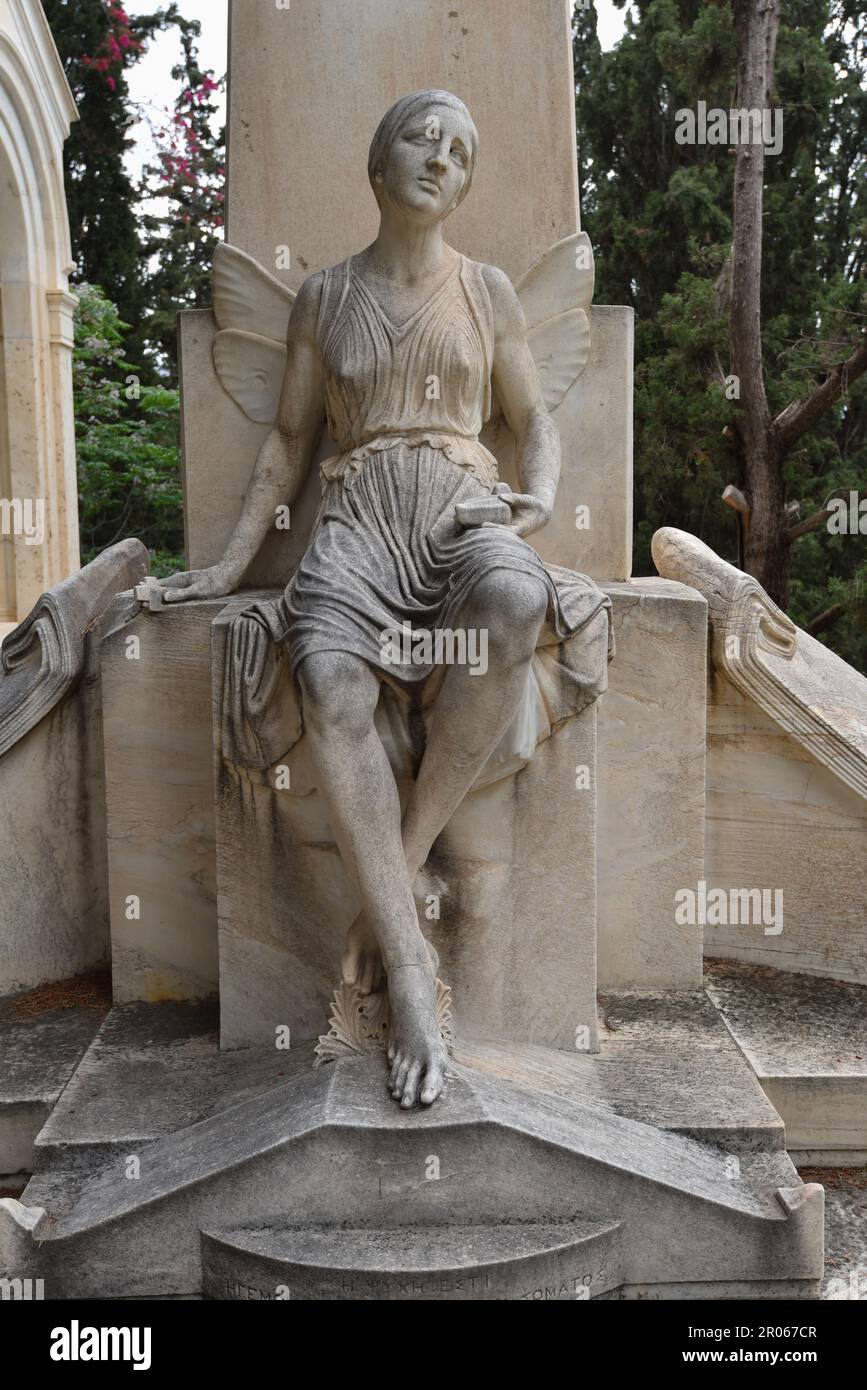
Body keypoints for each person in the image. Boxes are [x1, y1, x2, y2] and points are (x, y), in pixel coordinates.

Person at [158, 90, 610, 1110]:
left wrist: (534, 501)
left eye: (462, 148)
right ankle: (412, 968)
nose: (441, 157)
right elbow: (286, 443)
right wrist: (230, 568)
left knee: (509, 598)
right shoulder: (324, 296)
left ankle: (385, 901)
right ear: (378, 162)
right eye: (421, 136)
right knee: (324, 671)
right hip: (358, 519)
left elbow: (535, 418)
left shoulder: (488, 291)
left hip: (461, 509)